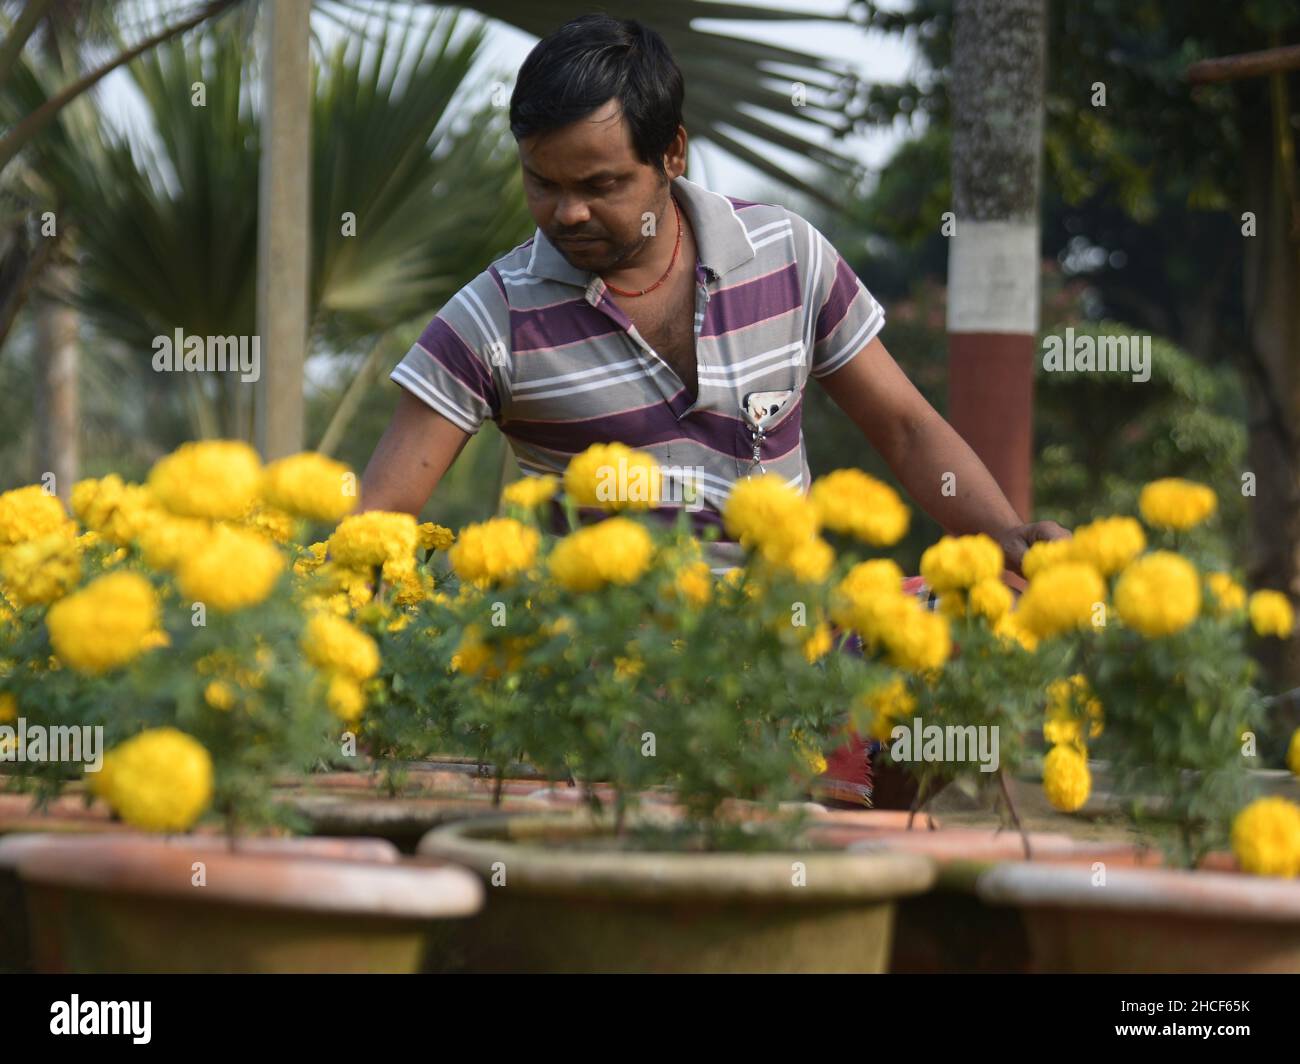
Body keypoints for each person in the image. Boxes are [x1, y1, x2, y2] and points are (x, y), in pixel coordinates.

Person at [359, 14, 1070, 805]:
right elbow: (376, 527)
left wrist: (1006, 538)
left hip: (796, 635)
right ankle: (814, 803)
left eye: (600, 186)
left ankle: (879, 837)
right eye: (543, 182)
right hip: (625, 676)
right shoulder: (490, 320)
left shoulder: (789, 256)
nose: (566, 214)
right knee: (753, 751)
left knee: (991, 614)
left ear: (672, 155)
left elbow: (906, 428)